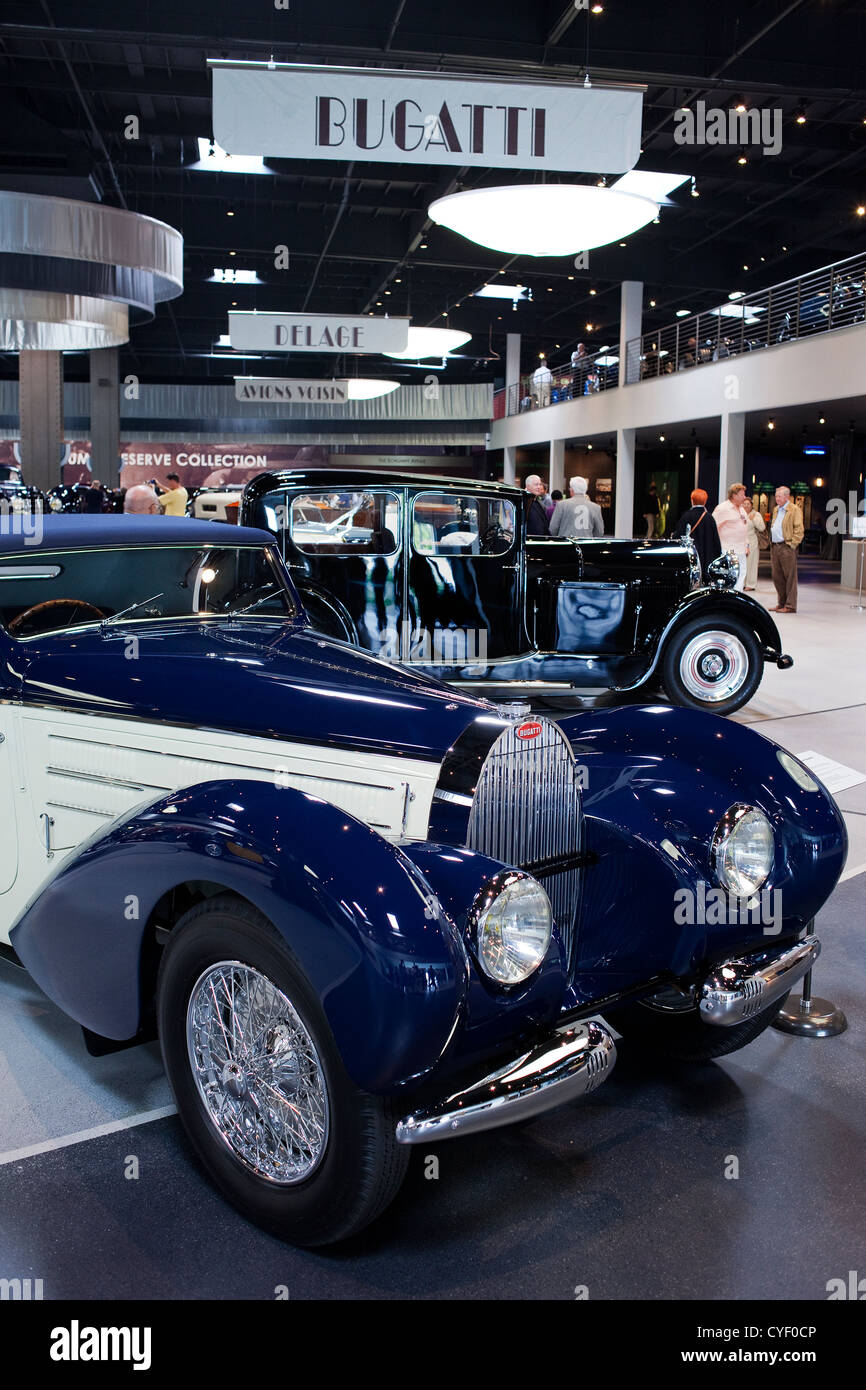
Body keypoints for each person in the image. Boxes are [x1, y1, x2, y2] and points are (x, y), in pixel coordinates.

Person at [671, 488, 722, 580]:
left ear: (692, 500)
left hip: (690, 558)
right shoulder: (710, 518)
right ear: (705, 501)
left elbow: (678, 536)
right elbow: (716, 542)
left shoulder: (686, 516)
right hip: (707, 560)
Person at [769, 485, 804, 613]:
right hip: (775, 546)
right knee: (777, 577)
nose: (777, 498)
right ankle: (781, 603)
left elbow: (799, 529)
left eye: (779, 496)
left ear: (787, 497)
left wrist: (792, 544)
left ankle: (790, 605)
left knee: (790, 577)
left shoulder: (794, 510)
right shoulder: (776, 509)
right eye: (776, 496)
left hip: (786, 546)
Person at [712, 482, 749, 590]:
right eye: (742, 494)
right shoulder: (722, 508)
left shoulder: (741, 509)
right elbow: (713, 528)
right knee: (730, 577)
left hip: (741, 550)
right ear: (734, 495)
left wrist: (747, 545)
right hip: (728, 550)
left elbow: (744, 527)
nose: (744, 497)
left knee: (741, 575)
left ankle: (738, 596)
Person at [743, 496, 766, 590]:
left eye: (748, 504)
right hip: (741, 542)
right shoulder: (740, 513)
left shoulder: (756, 514)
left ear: (751, 505)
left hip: (752, 542)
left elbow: (762, 528)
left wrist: (754, 519)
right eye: (744, 504)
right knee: (742, 563)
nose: (746, 506)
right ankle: (742, 583)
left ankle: (750, 584)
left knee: (751, 564)